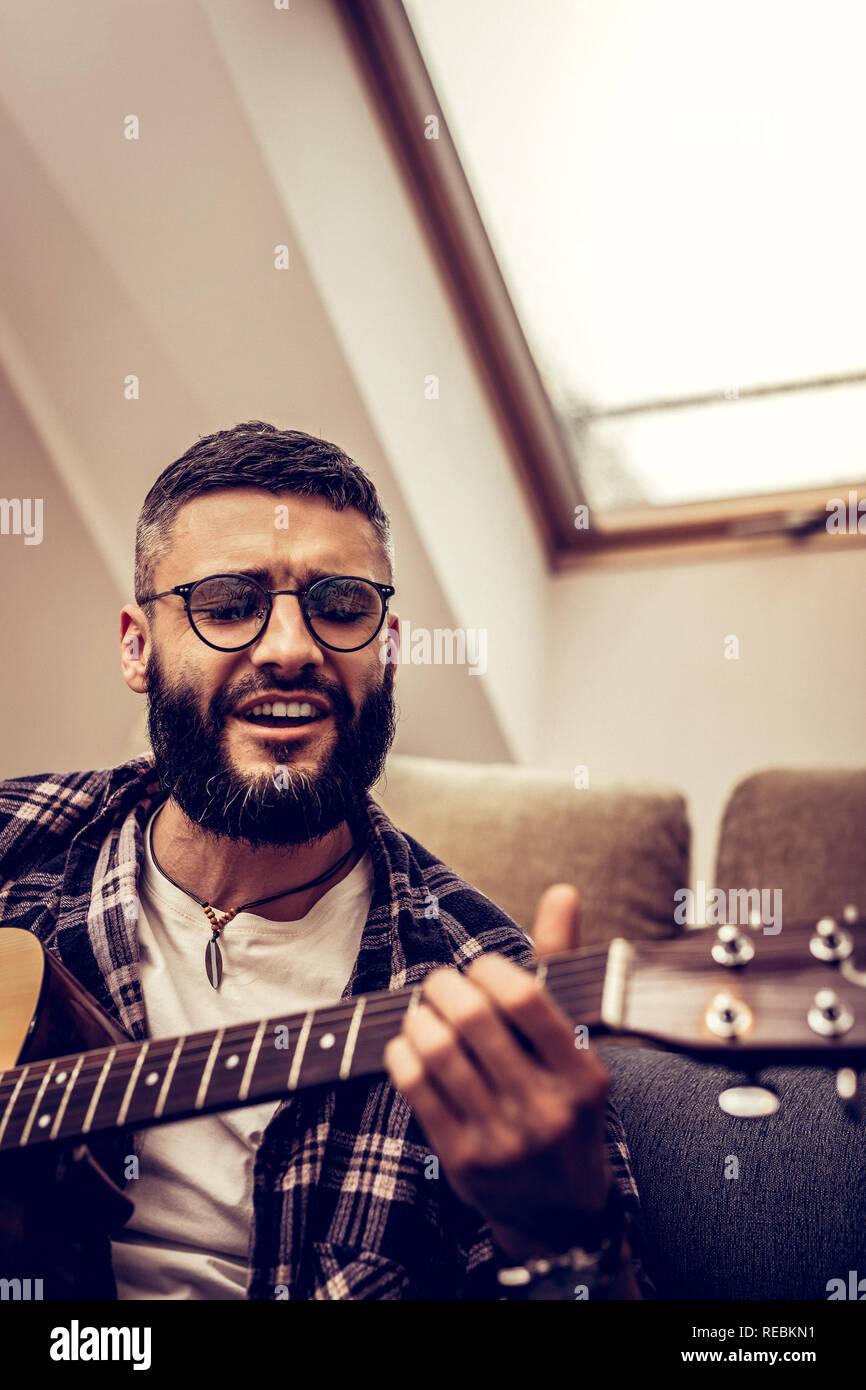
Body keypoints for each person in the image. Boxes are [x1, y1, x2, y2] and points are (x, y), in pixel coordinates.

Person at [0, 421, 652, 1300]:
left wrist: (561, 1235)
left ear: (385, 644)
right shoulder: (21, 839)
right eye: (227, 603)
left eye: (341, 606)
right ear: (136, 646)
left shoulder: (482, 988)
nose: (290, 648)